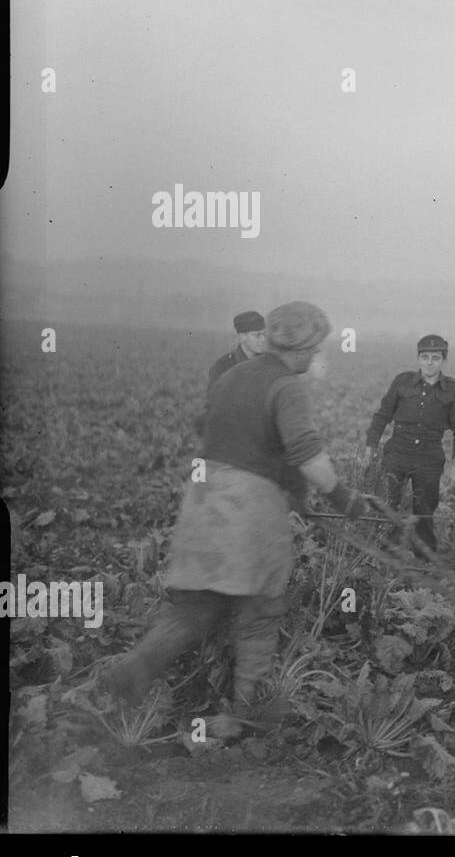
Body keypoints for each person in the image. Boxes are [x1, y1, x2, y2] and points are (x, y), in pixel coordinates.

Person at [105, 302, 368, 724]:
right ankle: (250, 716)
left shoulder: (231, 377)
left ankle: (134, 670)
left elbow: (208, 427)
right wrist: (343, 498)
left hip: (203, 499)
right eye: (314, 346)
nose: (314, 354)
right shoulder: (286, 385)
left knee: (196, 611)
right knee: (259, 612)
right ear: (299, 346)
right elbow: (306, 453)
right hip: (248, 507)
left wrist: (284, 481)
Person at [363, 334, 455, 554]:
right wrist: (369, 448)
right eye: (425, 357)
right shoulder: (402, 382)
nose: (429, 362)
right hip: (397, 453)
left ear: (443, 360)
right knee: (386, 506)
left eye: (435, 358)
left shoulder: (453, 390)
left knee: (424, 509)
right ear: (418, 358)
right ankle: (383, 557)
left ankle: (425, 560)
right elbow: (382, 415)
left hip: (429, 457)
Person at [196, 311, 267, 436]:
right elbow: (213, 409)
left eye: (264, 334)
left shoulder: (269, 364)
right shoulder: (223, 367)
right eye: (257, 335)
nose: (263, 339)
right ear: (242, 337)